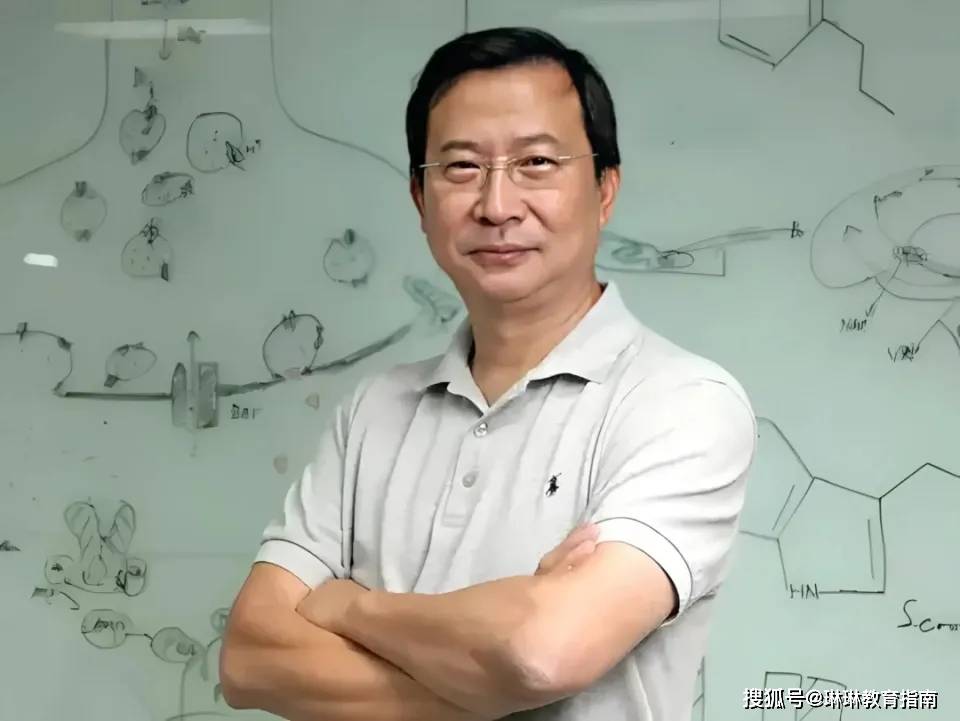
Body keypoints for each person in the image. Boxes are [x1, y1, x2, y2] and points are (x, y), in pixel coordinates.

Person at [219, 25, 757, 721]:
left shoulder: (683, 404)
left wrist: (350, 606)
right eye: (461, 167)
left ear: (604, 189)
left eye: (536, 162)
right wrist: (490, 673)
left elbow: (543, 654)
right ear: (420, 199)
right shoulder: (372, 412)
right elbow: (248, 660)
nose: (497, 205)